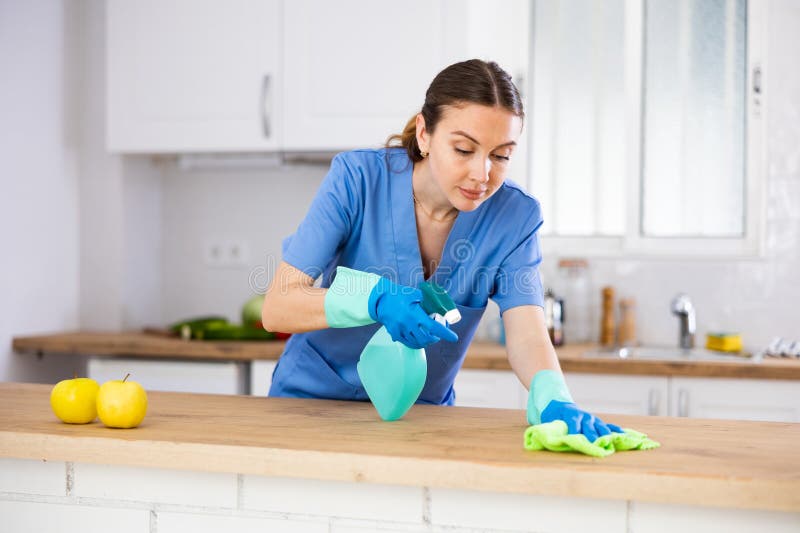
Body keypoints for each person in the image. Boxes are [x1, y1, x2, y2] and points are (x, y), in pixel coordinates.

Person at [262, 59, 621, 441]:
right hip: (309, 407)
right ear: (424, 134)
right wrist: (372, 298)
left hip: (418, 420)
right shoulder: (357, 180)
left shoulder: (515, 217)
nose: (482, 174)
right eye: (464, 149)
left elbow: (528, 332)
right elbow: (278, 305)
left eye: (501, 156)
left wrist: (553, 395)